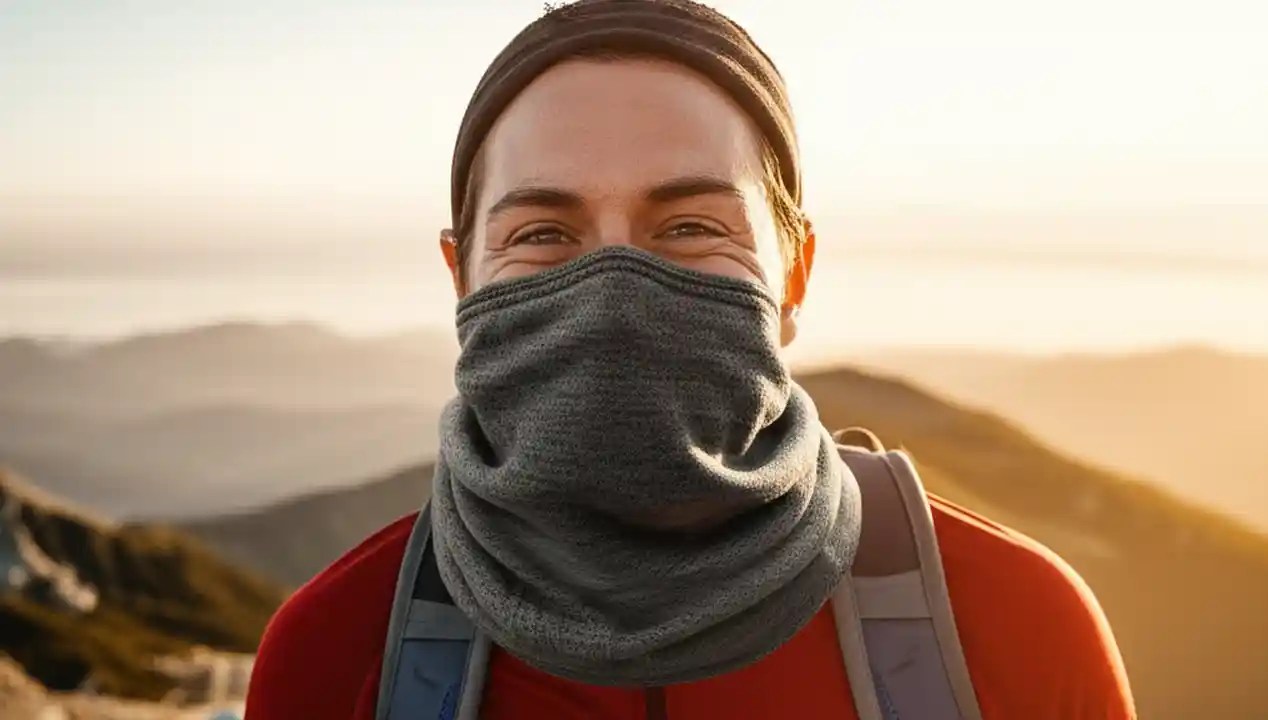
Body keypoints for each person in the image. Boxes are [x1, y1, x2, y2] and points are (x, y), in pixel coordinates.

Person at [244, 2, 1136, 718]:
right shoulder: (333, 656)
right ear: (460, 277)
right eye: (543, 234)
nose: (616, 287)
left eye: (692, 227)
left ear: (797, 274)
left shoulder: (1016, 629)